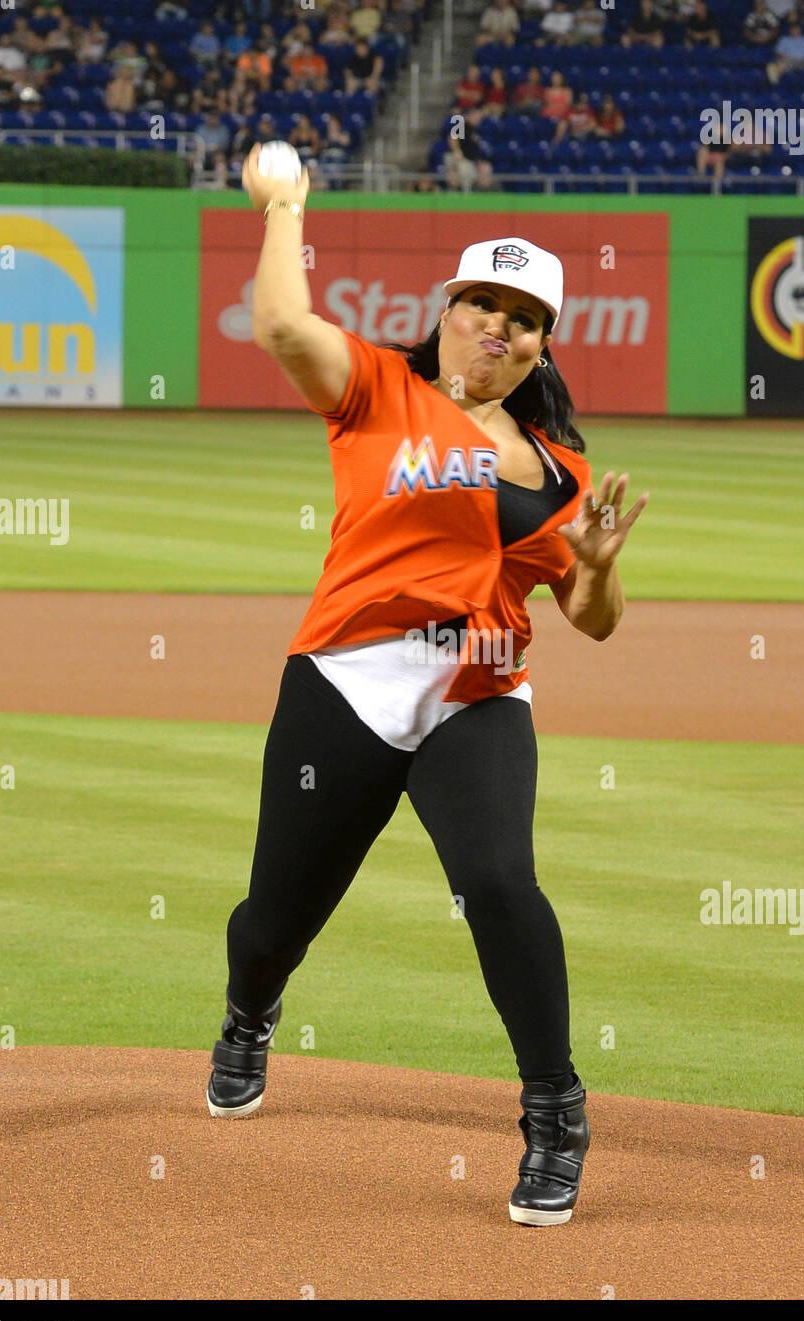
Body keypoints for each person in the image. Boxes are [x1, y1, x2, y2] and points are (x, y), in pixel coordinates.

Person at [209, 148, 649, 1227]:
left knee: (501, 879)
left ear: (544, 342)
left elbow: (590, 623)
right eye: (483, 304)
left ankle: (555, 1110)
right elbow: (277, 327)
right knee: (277, 914)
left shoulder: (560, 472)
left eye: (525, 316)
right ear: (446, 310)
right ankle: (250, 1012)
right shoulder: (377, 389)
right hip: (346, 678)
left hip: (482, 688)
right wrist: (286, 209)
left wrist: (594, 566)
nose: (500, 327)